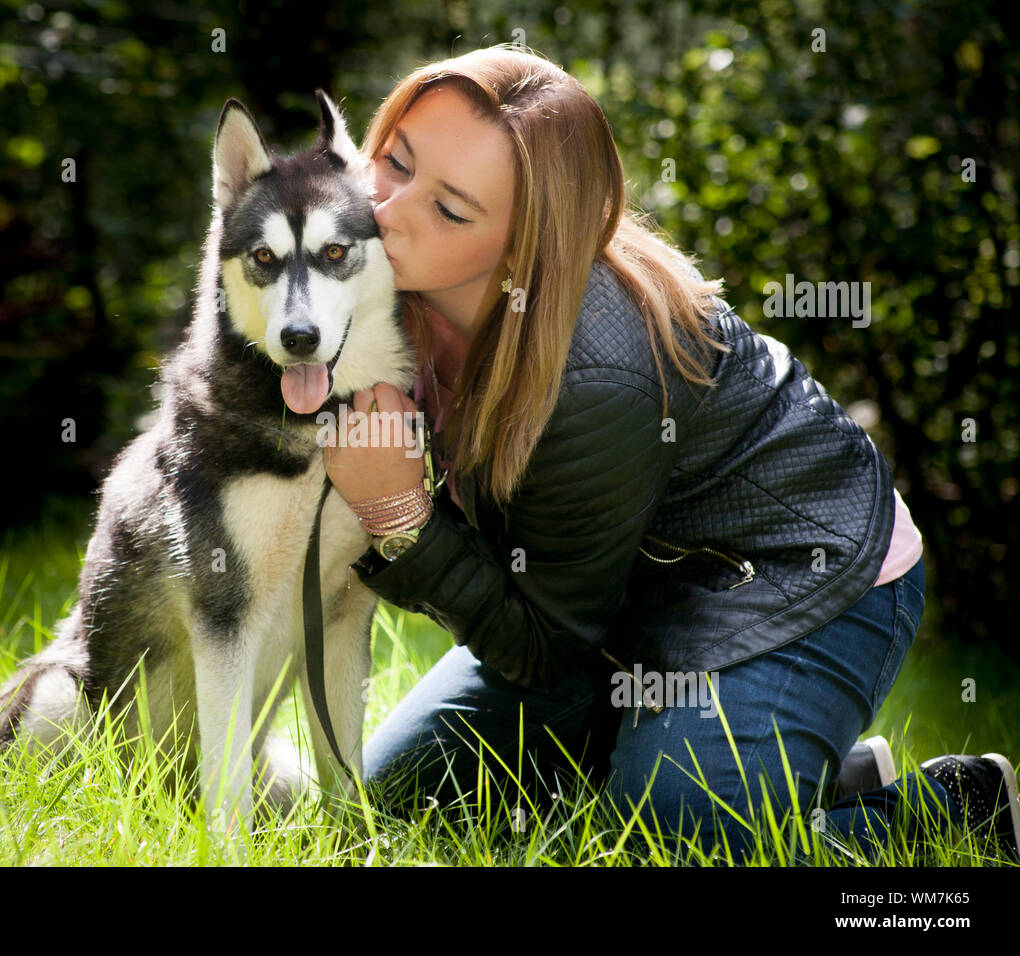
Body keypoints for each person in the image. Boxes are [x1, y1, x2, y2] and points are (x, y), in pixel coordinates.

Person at [320, 44, 1019, 864]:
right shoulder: (372, 292)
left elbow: (546, 644)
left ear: (523, 249)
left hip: (792, 576)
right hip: (609, 595)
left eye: (451, 210)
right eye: (393, 161)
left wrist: (400, 517)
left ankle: (950, 810)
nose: (388, 208)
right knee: (403, 811)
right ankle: (803, 782)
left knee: (666, 851)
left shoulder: (597, 376)